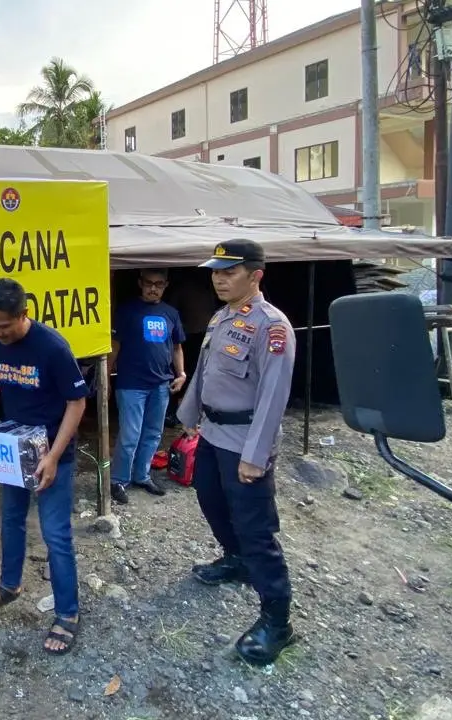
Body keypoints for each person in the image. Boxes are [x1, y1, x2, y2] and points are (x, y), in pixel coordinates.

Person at [175, 238, 297, 667]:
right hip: (212, 433)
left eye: (229, 272)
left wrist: (255, 455)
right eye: (215, 271)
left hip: (245, 440)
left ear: (256, 275)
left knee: (255, 528)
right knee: (210, 500)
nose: (219, 278)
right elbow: (206, 371)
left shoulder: (272, 326)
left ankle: (277, 621)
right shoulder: (222, 316)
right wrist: (189, 413)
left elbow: (273, 396)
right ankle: (236, 561)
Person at [0, 278, 88, 655]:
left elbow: (76, 403)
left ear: (24, 315)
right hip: (13, 447)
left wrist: (53, 456)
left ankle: (68, 612)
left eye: (4, 326)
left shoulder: (52, 347)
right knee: (10, 519)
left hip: (52, 455)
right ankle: (10, 584)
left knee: (56, 534)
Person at [108, 268, 187, 504]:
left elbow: (176, 347)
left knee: (153, 433)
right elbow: (115, 345)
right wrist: (106, 377)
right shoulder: (126, 311)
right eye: (149, 283)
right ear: (140, 283)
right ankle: (118, 480)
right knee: (130, 435)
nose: (153, 288)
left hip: (161, 384)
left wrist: (181, 373)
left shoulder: (171, 313)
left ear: (166, 285)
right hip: (131, 383)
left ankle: (142, 476)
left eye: (159, 284)